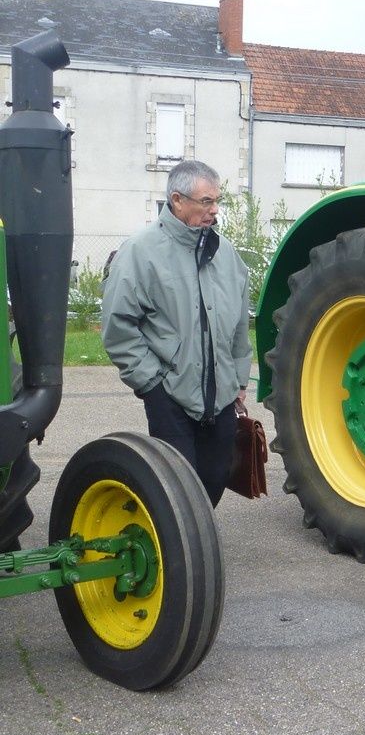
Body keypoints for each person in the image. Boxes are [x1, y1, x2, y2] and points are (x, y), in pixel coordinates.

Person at [102, 160, 251, 507]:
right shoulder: (140, 252)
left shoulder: (225, 254)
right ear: (177, 200)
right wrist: (151, 383)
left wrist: (239, 380)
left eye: (217, 201)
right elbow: (118, 325)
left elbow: (239, 325)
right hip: (169, 394)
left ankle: (187, 541)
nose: (214, 210)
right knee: (176, 486)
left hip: (223, 395)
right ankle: (173, 552)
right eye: (206, 201)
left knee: (214, 478)